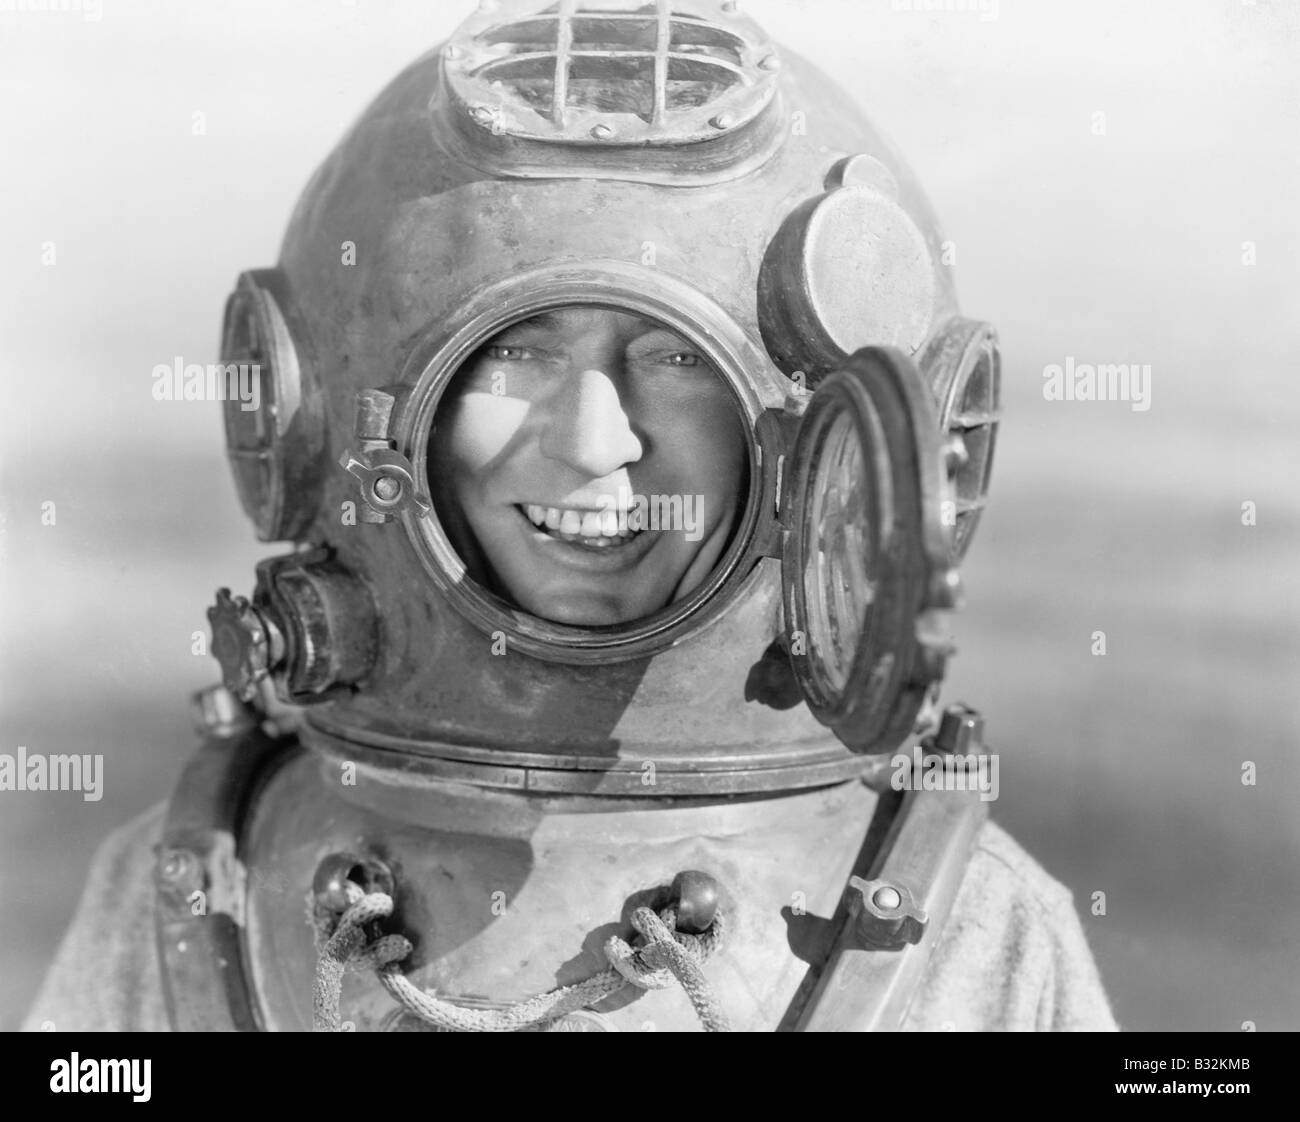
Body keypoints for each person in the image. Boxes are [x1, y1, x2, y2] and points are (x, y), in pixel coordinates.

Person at [25, 0, 1115, 1032]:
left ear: (825, 465)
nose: (596, 442)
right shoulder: (201, 902)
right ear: (342, 422)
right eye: (517, 351)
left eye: (679, 359)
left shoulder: (975, 941)